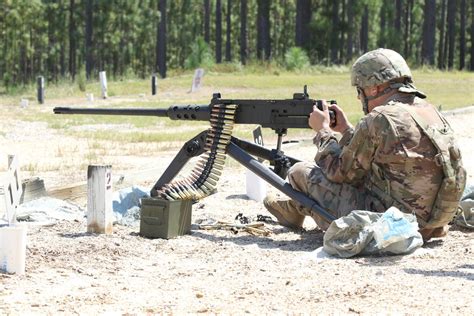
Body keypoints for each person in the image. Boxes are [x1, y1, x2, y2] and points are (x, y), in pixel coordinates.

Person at [264, 48, 466, 241]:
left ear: (374, 87)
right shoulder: (429, 111)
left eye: (360, 91)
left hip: (392, 225)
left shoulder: (380, 118)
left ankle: (293, 209)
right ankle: (292, 208)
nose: (359, 97)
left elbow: (339, 173)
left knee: (299, 172)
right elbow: (383, 155)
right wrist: (346, 130)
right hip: (432, 223)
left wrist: (323, 130)